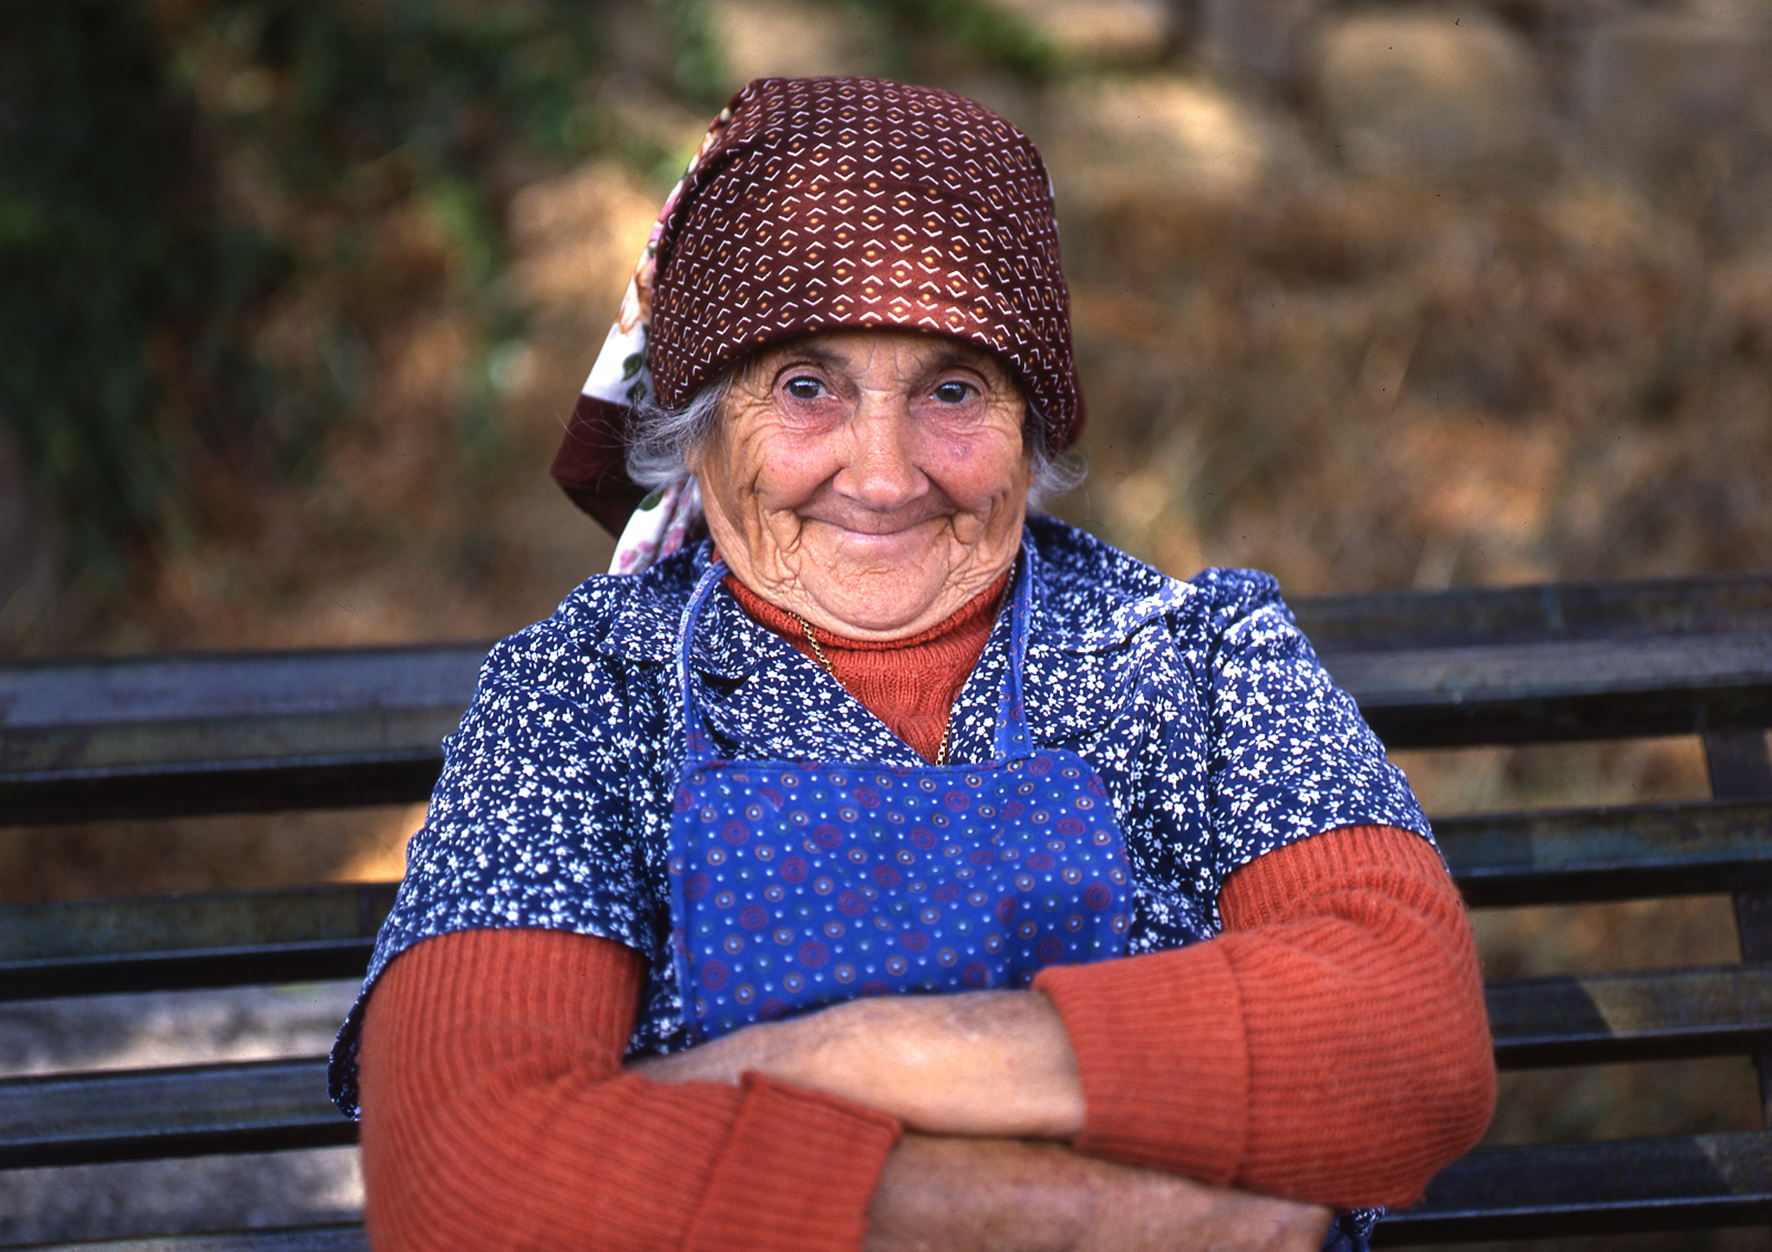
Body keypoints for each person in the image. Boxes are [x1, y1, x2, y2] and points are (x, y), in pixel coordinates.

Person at [329, 76, 1495, 1251]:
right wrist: (1084, 1212)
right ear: (700, 429)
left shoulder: (1192, 657)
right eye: (804, 385)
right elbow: (463, 1182)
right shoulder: (584, 696)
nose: (884, 476)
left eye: (951, 388)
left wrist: (833, 1059)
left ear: (1029, 427)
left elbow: (1409, 1040)